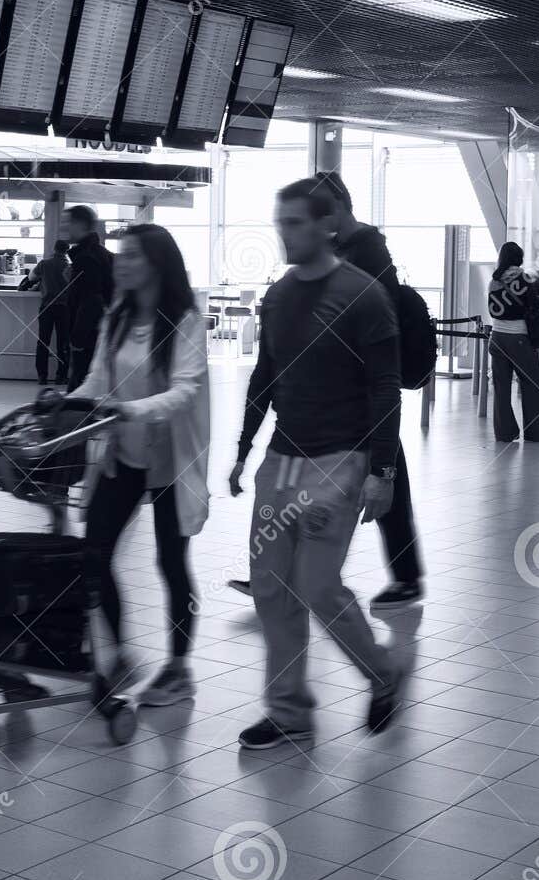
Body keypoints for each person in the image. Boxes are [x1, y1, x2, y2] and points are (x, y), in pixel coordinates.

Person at [230, 178, 403, 750]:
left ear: (328, 225)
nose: (285, 232)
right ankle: (289, 711)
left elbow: (385, 388)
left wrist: (382, 472)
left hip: (340, 459)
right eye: (280, 222)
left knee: (317, 584)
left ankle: (383, 672)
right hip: (282, 459)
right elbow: (265, 375)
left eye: (296, 222)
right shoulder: (279, 297)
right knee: (270, 588)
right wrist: (243, 449)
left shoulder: (362, 295)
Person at [69, 225, 209, 706]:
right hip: (121, 454)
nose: (121, 263)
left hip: (169, 458)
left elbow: (185, 389)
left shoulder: (185, 321)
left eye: (131, 256)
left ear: (157, 263)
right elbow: (96, 379)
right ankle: (119, 655)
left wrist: (131, 409)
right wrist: (67, 404)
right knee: (94, 553)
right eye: (120, 255)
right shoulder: (118, 316)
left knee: (170, 561)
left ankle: (178, 670)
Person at [314, 173, 425, 608]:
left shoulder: (368, 251)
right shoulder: (344, 249)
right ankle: (286, 569)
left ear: (341, 205)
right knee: (354, 472)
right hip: (346, 385)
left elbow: (368, 316)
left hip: (366, 385)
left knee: (382, 472)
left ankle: (406, 576)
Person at [486, 241, 539, 444]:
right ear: (519, 259)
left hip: (497, 337)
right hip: (519, 339)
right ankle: (537, 433)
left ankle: (504, 433)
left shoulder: (493, 281)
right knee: (532, 384)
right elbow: (534, 306)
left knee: (501, 387)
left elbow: (493, 311)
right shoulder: (524, 280)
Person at [63, 206, 114, 391]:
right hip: (99, 335)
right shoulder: (101, 253)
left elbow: (91, 300)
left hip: (89, 338)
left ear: (80, 224)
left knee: (81, 390)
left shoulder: (85, 258)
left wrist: (77, 339)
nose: (63, 227)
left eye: (67, 222)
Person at [19, 239, 71, 385]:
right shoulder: (69, 267)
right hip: (64, 308)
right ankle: (61, 376)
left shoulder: (44, 264)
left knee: (43, 342)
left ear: (54, 249)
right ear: (67, 251)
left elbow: (31, 278)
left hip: (47, 307)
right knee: (63, 343)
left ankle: (42, 376)